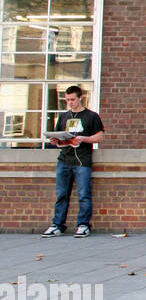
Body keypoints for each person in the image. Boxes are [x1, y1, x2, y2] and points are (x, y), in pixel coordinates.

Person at [42, 86, 105, 238]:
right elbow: (59, 139)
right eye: (67, 100)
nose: (70, 103)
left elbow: (99, 137)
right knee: (61, 194)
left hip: (82, 160)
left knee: (84, 193)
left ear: (80, 98)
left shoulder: (91, 116)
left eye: (72, 99)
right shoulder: (63, 117)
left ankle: (83, 224)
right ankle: (57, 224)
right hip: (64, 159)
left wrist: (83, 138)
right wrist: (55, 140)